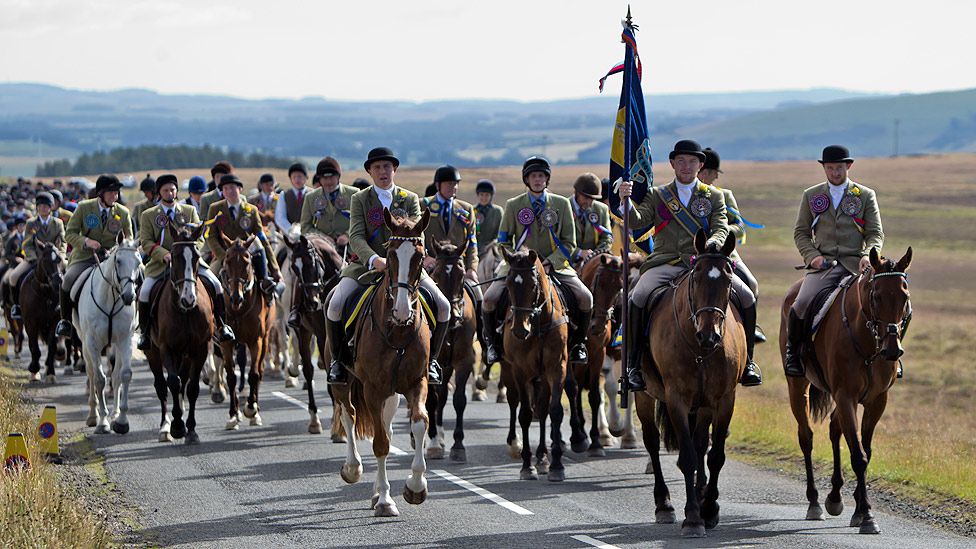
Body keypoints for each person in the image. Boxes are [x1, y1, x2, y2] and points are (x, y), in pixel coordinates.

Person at [618, 140, 762, 391]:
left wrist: (712, 246)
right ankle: (633, 366)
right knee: (637, 296)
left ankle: (748, 361)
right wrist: (626, 202)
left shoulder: (714, 196)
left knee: (747, 296)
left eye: (692, 161)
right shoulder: (657, 194)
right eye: (681, 161)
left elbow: (720, 227)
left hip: (704, 263)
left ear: (700, 165)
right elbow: (638, 221)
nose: (687, 166)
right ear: (672, 164)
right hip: (667, 262)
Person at [324, 147, 450, 386]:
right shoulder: (360, 199)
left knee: (443, 305)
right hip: (366, 266)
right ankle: (338, 362)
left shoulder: (410, 198)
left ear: (395, 170)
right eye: (377, 167)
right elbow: (357, 237)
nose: (383, 171)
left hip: (406, 268)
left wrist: (401, 260)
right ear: (370, 172)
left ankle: (431, 361)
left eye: (387, 167)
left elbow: (418, 236)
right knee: (336, 303)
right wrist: (374, 259)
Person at [482, 156, 593, 365]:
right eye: (533, 176)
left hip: (555, 266)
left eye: (541, 176)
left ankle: (578, 345)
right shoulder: (513, 204)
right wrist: (515, 260)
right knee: (489, 299)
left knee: (586, 297)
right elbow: (503, 241)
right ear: (527, 179)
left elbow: (569, 242)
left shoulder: (561, 204)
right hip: (518, 267)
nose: (537, 179)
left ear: (547, 179)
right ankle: (493, 345)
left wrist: (550, 262)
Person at [784, 145, 884, 377]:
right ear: (824, 168)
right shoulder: (811, 195)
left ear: (848, 166)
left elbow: (875, 234)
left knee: (887, 301)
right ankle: (794, 355)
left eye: (839, 168)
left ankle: (889, 356)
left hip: (857, 265)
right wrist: (813, 257)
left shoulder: (865, 195)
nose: (835, 173)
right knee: (800, 303)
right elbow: (801, 233)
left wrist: (868, 256)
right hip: (824, 267)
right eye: (830, 168)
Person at [136, 174, 235, 350]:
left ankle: (222, 325)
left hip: (190, 262)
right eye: (165, 190)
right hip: (161, 264)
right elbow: (146, 241)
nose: (169, 193)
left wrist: (191, 249)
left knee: (216, 285)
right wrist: (165, 254)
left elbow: (201, 235)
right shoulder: (148, 215)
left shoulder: (188, 211)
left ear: (176, 191)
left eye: (172, 189)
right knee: (145, 292)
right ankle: (144, 333)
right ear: (159, 192)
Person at [699, 148, 765, 343]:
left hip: (724, 254)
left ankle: (749, 331)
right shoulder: (686, 195)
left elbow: (740, 227)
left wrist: (721, 231)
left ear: (715, 175)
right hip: (694, 253)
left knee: (751, 283)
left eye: (711, 173)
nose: (706, 176)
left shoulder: (725, 195)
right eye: (704, 171)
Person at [55, 175, 133, 337]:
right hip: (85, 257)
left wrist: (120, 247)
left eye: (116, 192)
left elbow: (130, 238)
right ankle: (65, 321)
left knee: (135, 278)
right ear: (101, 193)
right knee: (68, 279)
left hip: (112, 259)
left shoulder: (123, 212)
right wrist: (86, 241)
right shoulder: (84, 207)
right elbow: (69, 233)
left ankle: (135, 320)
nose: (115, 196)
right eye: (111, 192)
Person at [290, 157, 356, 329]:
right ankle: (296, 310)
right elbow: (305, 225)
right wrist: (323, 239)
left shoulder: (353, 194)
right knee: (304, 269)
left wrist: (348, 235)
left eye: (331, 177)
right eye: (324, 178)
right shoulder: (311, 197)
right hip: (321, 247)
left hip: (348, 246)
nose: (327, 181)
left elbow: (360, 221)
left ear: (338, 177)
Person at [205, 174, 282, 297]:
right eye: (226, 188)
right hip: (225, 255)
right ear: (222, 192)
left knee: (258, 245)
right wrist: (223, 256)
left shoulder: (251, 210)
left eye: (232, 187)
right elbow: (211, 236)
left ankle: (265, 285)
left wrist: (275, 267)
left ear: (240, 189)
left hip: (248, 253)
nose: (229, 191)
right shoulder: (215, 209)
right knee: (210, 282)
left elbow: (261, 237)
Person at [569, 173, 612, 267]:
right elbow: (557, 240)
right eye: (586, 197)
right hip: (567, 261)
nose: (589, 202)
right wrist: (579, 253)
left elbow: (607, 237)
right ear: (576, 193)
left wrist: (595, 256)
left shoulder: (602, 209)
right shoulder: (564, 207)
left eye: (593, 199)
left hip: (595, 262)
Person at [274, 162, 309, 235]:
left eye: (299, 176)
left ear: (306, 177)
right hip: (289, 236)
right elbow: (280, 218)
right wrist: (292, 231)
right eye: (294, 177)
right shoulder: (284, 195)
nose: (297, 180)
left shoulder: (313, 194)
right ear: (290, 179)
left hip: (309, 235)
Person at [473, 179, 504, 255]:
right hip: (474, 248)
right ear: (478, 195)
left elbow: (501, 232)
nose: (484, 198)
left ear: (491, 196)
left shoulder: (498, 211)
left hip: (492, 249)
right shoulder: (472, 210)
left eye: (487, 195)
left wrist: (493, 244)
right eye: (481, 195)